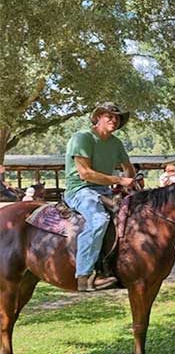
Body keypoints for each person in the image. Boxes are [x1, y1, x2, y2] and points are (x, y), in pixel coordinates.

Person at [64, 102, 136, 292]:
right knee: (99, 219)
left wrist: (131, 180)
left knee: (134, 217)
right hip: (80, 190)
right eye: (109, 116)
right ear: (98, 117)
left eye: (117, 117)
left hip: (104, 191)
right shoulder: (83, 138)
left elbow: (128, 167)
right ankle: (84, 276)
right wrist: (120, 180)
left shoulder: (116, 143)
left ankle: (119, 267)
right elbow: (85, 174)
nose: (114, 120)